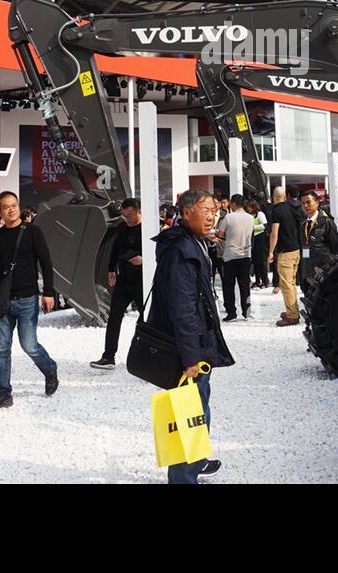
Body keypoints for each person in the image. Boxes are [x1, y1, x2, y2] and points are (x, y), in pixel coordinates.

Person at [147, 190, 234, 483]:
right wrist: (191, 357)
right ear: (186, 213)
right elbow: (183, 308)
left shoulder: (190, 242)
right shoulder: (183, 250)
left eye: (214, 209)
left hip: (196, 342)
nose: (211, 215)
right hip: (189, 348)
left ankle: (196, 463)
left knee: (197, 408)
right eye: (204, 209)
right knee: (189, 415)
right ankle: (184, 476)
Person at [0, 191, 59, 412]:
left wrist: (49, 291)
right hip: (2, 301)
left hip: (27, 298)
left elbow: (46, 261)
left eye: (14, 205)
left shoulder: (33, 232)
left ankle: (50, 368)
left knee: (29, 345)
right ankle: (3, 393)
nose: (12, 209)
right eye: (6, 206)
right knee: (1, 349)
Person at [90, 198, 145, 370]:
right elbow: (114, 249)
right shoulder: (122, 228)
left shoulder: (148, 228)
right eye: (124, 216)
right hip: (124, 279)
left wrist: (145, 260)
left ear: (138, 211)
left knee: (146, 319)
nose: (127, 219)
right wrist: (111, 269)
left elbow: (160, 252)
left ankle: (147, 356)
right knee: (114, 317)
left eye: (130, 216)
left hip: (142, 279)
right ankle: (108, 356)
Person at [215, 193, 254, 321]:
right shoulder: (250, 218)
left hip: (230, 255)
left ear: (234, 203)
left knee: (228, 285)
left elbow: (220, 234)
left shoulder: (228, 217)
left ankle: (231, 312)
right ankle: (246, 311)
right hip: (246, 255)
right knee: (244, 285)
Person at [267, 186, 302, 327]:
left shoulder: (276, 211)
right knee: (291, 283)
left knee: (286, 285)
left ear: (274, 197)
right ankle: (293, 310)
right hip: (296, 249)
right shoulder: (291, 207)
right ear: (285, 196)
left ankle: (292, 316)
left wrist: (270, 251)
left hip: (285, 252)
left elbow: (274, 233)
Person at [299, 190, 338, 273]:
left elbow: (335, 247)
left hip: (325, 270)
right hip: (308, 269)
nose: (305, 205)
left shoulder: (326, 222)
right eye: (303, 203)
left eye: (308, 202)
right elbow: (305, 246)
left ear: (317, 202)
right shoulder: (303, 223)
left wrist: (328, 266)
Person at [248, 198, 269, 289]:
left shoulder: (260, 214)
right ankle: (257, 281)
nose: (248, 209)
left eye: (249, 207)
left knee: (262, 262)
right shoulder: (250, 215)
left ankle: (265, 281)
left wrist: (253, 227)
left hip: (261, 239)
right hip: (253, 239)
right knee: (255, 261)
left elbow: (265, 225)